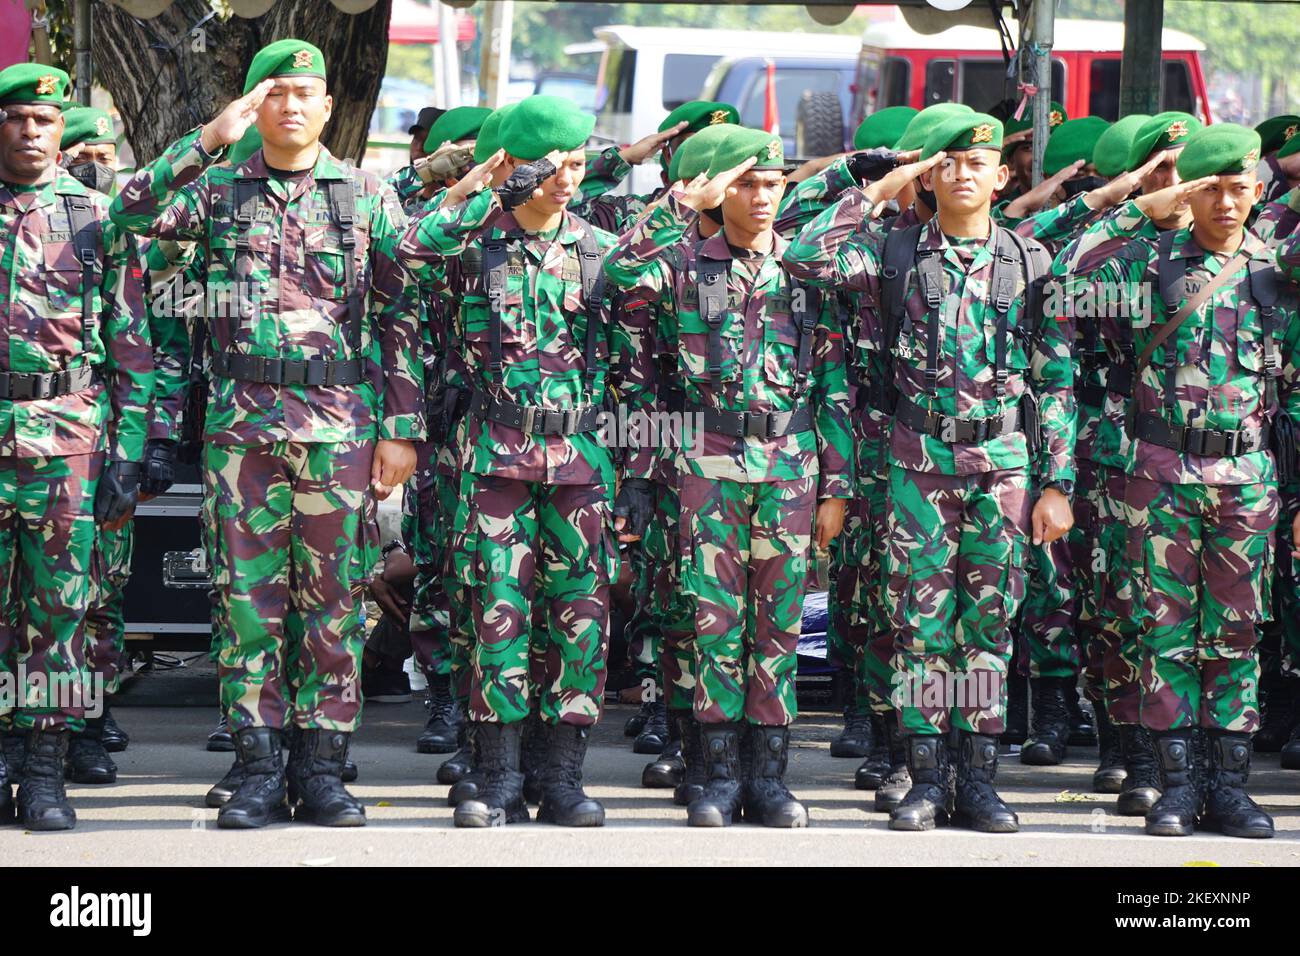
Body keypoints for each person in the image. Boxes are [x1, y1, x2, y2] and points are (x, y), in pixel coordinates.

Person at [110, 39, 423, 829]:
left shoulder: (366, 195)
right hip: (243, 432)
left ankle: (322, 771)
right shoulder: (215, 191)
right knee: (248, 603)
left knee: (333, 604)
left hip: (340, 429)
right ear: (256, 105)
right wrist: (208, 138)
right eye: (273, 92)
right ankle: (256, 767)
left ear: (325, 107)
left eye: (304, 92)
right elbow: (128, 213)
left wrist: (401, 428)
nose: (290, 104)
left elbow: (400, 312)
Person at [785, 112, 1076, 833]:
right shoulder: (894, 254)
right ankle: (924, 776)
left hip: (1003, 466)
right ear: (928, 175)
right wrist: (877, 184)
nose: (962, 174)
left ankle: (976, 780)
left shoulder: (1032, 261)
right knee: (920, 626)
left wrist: (1057, 483)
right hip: (918, 467)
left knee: (987, 625)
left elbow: (1059, 379)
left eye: (977, 163)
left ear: (1002, 176)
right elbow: (804, 256)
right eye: (946, 163)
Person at [399, 95, 654, 828]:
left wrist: (635, 473)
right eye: (547, 166)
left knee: (579, 621)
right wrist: (477, 190)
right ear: (510, 165)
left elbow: (634, 373)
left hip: (581, 462)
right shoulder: (469, 245)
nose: (565, 179)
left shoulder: (601, 252)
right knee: (494, 618)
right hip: (492, 463)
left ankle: (561, 775)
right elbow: (404, 253)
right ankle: (496, 775)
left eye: (575, 164)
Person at [607, 126, 854, 828]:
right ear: (722, 192)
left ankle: (769, 778)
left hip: (789, 468)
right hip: (705, 465)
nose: (760, 196)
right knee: (713, 624)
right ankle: (714, 774)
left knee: (776, 627)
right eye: (744, 183)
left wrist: (836, 486)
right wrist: (684, 204)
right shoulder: (683, 264)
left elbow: (834, 387)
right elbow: (619, 276)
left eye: (771, 182)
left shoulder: (805, 272)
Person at [1065, 123, 1300, 839]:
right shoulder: (1143, 268)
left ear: (1259, 192)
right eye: (1211, 190)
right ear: (1189, 195)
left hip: (1247, 479)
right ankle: (1175, 785)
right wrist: (1145, 204)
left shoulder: (1277, 273)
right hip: (1159, 475)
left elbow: (1294, 394)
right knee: (1162, 631)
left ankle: (1227, 786)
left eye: (1239, 189)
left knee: (1234, 633)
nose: (1226, 203)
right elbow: (1067, 278)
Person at [0, 64, 153, 830]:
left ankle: (45, 770)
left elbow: (130, 346)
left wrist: (127, 452)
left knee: (59, 612)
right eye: (18, 117)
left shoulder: (98, 217)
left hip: (66, 440)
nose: (32, 132)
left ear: (63, 133)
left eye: (46, 121)